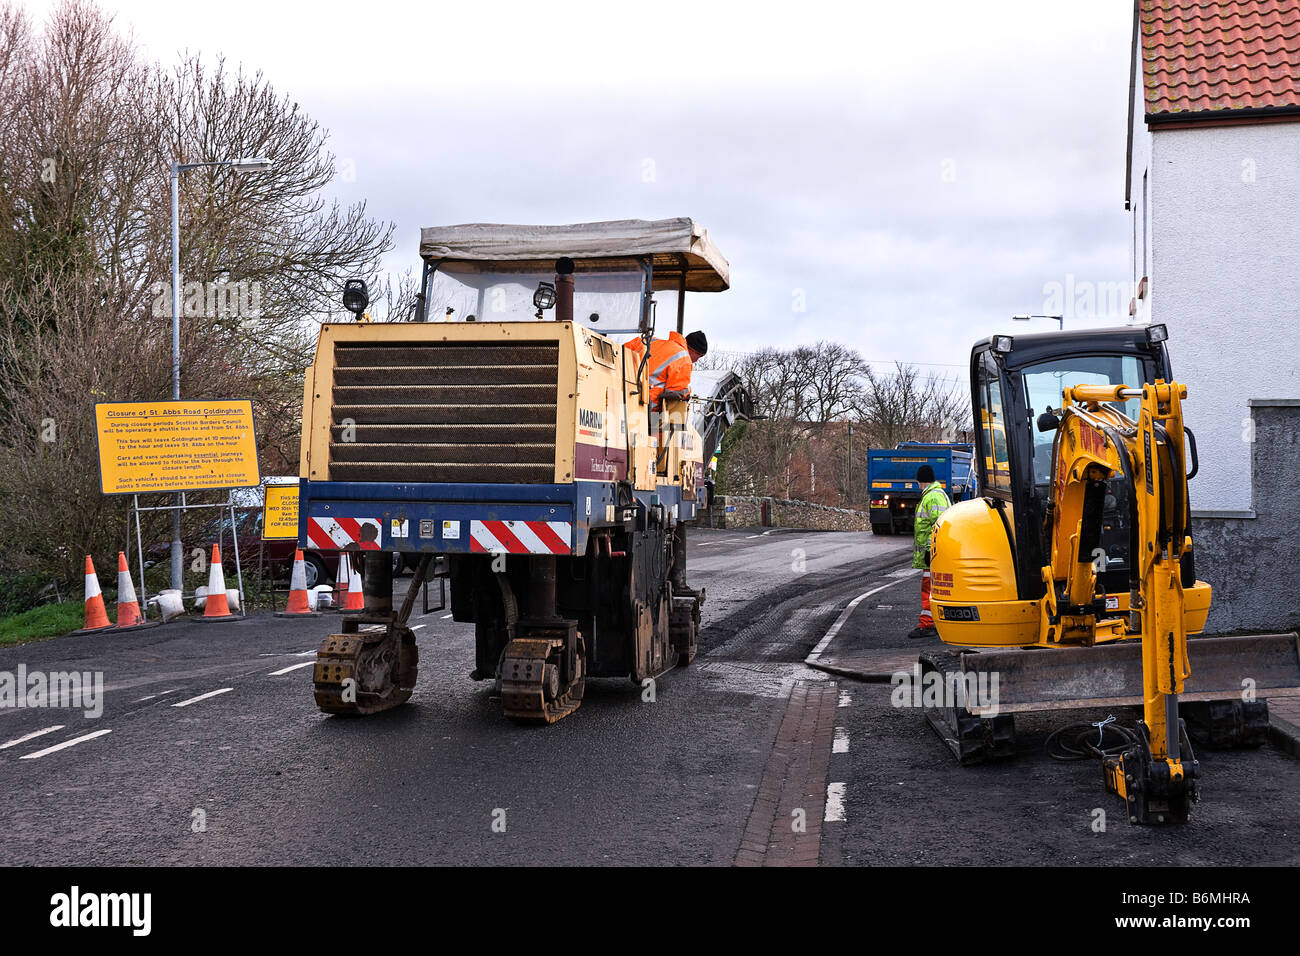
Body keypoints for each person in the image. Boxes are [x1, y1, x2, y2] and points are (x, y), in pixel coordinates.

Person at [908, 464, 951, 639]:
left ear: (921, 480)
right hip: (934, 553)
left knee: (929, 589)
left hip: (932, 555)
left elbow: (937, 526)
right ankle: (934, 623)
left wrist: (928, 550)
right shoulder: (936, 495)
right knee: (934, 588)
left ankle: (928, 624)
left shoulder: (932, 497)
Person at [623, 330, 708, 409]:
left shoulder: (649, 341)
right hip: (645, 408)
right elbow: (676, 394)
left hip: (620, 395)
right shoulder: (684, 359)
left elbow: (621, 352)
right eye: (699, 356)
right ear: (692, 350)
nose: (697, 360)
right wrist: (686, 394)